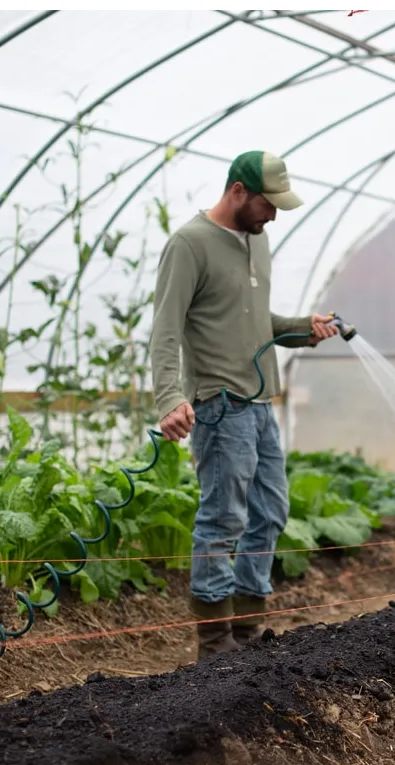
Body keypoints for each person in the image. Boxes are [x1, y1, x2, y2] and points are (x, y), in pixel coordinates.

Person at [149, 150, 339, 660]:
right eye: (267, 204)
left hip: (260, 405)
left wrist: (304, 329)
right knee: (222, 519)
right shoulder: (190, 245)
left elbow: (256, 322)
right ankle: (215, 644)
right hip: (220, 405)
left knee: (271, 511)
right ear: (238, 191)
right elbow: (165, 330)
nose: (274, 214)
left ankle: (249, 635)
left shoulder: (258, 241)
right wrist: (169, 398)